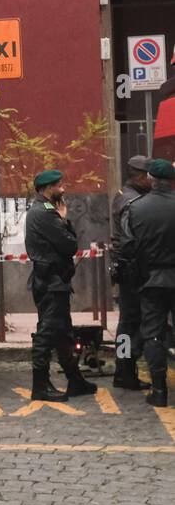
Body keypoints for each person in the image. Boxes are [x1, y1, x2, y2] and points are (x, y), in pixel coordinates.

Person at [24, 169, 96, 402]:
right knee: (46, 333)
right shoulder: (45, 213)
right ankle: (40, 387)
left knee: (63, 333)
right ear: (47, 189)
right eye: (58, 186)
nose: (63, 189)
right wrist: (64, 219)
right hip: (51, 283)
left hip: (55, 282)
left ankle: (75, 380)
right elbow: (69, 245)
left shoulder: (42, 211)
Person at [120, 158, 175, 407]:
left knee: (152, 333)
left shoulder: (134, 208)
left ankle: (159, 390)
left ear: (151, 179)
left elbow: (127, 246)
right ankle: (125, 371)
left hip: (149, 280)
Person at [111, 156, 153, 390]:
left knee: (128, 322)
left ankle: (124, 367)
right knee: (130, 323)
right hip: (132, 271)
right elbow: (129, 241)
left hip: (127, 269)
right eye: (149, 176)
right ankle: (125, 368)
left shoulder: (124, 194)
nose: (152, 180)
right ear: (140, 176)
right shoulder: (131, 201)